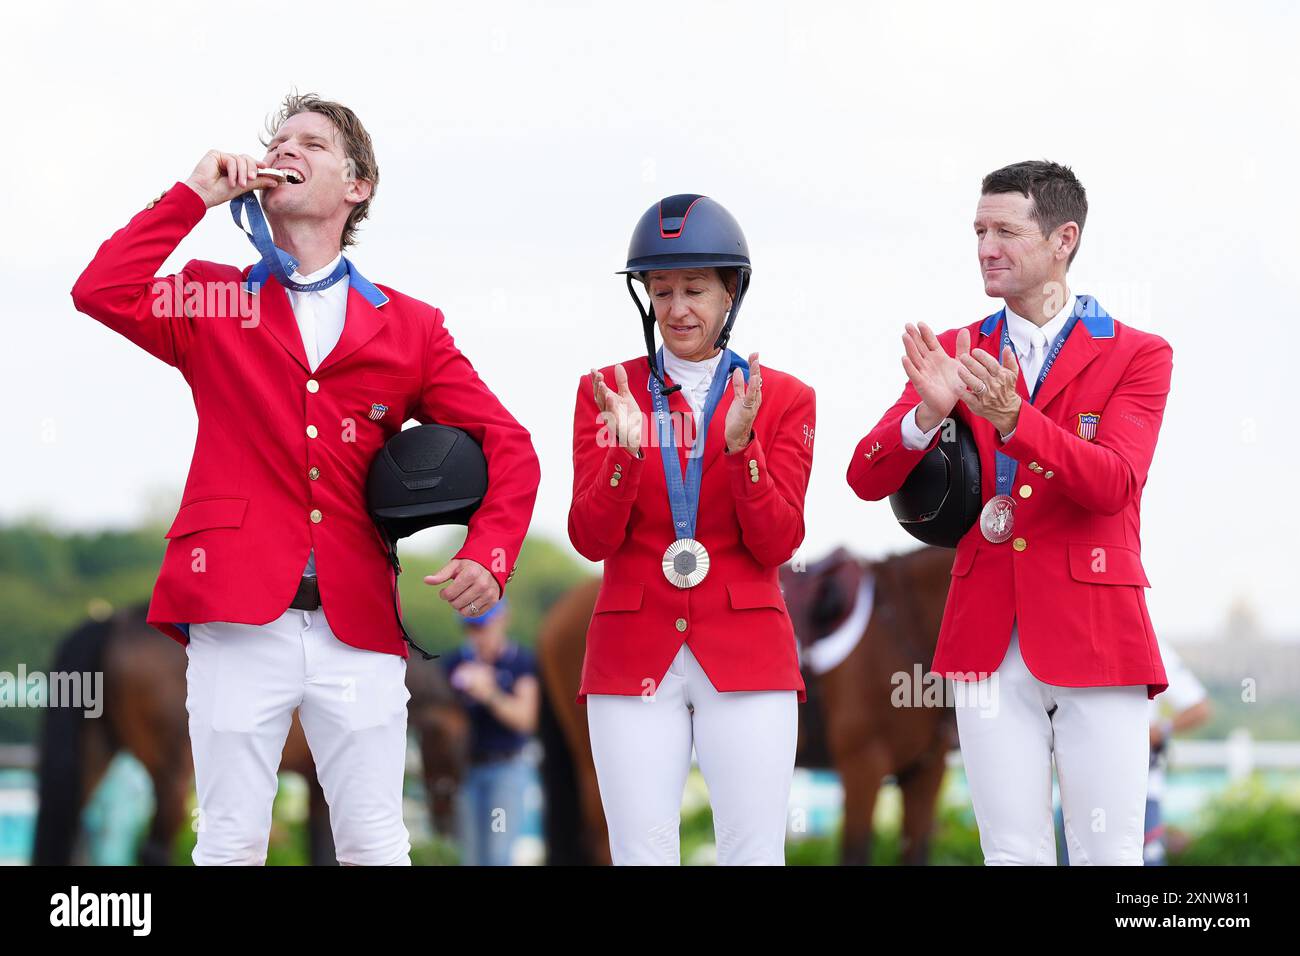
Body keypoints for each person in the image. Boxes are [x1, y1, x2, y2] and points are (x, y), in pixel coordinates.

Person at [71, 92, 540, 865]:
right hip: (233, 616)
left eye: (313, 143)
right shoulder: (216, 295)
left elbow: (508, 443)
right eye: (277, 139)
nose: (286, 148)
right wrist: (192, 196)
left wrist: (490, 553)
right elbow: (102, 290)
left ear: (356, 187)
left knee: (375, 841)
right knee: (227, 839)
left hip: (357, 624)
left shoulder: (412, 326)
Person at [847, 160, 1174, 865]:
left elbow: (1114, 483)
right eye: (978, 231)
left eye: (1004, 231)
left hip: (1098, 633)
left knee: (1108, 855)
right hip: (987, 638)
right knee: (1010, 854)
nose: (985, 248)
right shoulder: (959, 352)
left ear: (1063, 239)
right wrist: (925, 417)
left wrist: (1015, 421)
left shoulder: (1139, 355)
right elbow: (864, 477)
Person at [568, 194, 815, 865]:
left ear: (731, 293)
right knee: (641, 852)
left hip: (747, 650)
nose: (677, 308)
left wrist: (743, 452)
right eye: (662, 289)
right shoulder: (605, 388)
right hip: (631, 651)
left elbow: (777, 543)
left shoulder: (786, 397)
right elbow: (590, 539)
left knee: (752, 852)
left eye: (695, 289)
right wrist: (624, 453)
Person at [1055, 635, 1211, 865]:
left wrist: (1157, 731)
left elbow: (1200, 708)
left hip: (1139, 793)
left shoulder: (1148, 644)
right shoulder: (1072, 643)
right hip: (1080, 792)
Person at [442, 600, 540, 866]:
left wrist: (489, 694)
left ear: (503, 620)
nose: (478, 636)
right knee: (471, 858)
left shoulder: (521, 661)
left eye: (483, 627)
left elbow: (526, 719)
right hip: (466, 772)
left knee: (497, 855)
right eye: (471, 629)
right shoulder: (455, 663)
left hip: (506, 770)